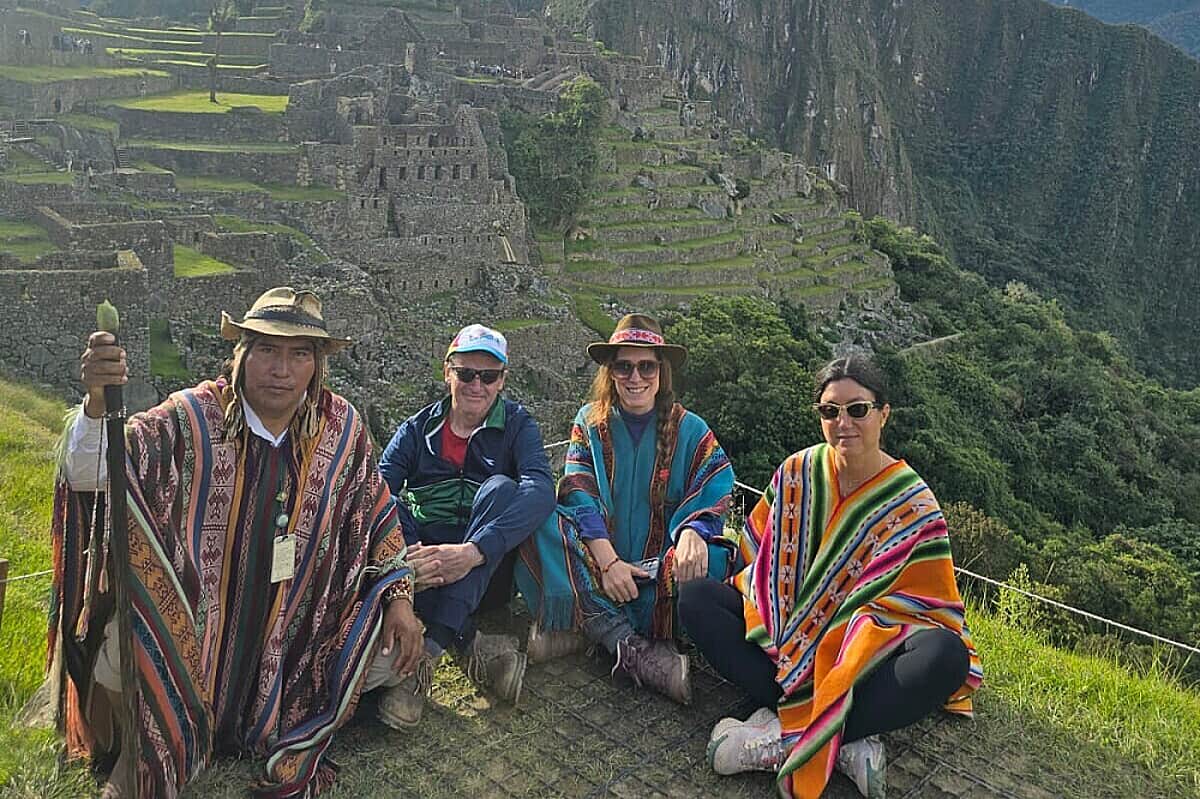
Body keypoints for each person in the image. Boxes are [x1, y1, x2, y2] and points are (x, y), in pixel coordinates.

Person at [51, 287, 424, 798]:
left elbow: (376, 511)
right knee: (118, 652)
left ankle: (306, 704)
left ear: (318, 366)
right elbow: (94, 471)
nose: (282, 370)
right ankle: (145, 746)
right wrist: (96, 403)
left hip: (299, 642)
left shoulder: (342, 428)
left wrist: (400, 599)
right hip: (201, 637)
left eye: (300, 354)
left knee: (384, 650)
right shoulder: (191, 419)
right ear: (242, 354)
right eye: (268, 350)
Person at [678, 354, 983, 799]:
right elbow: (756, 555)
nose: (844, 422)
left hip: (860, 657)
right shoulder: (797, 473)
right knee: (696, 599)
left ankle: (784, 738)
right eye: (830, 411)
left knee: (945, 654)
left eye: (857, 409)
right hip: (785, 638)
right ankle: (844, 740)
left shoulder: (913, 504)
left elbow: (931, 605)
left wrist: (851, 633)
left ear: (883, 414)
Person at [516, 314, 736, 704]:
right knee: (536, 519)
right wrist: (608, 562)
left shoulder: (691, 429)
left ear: (661, 371)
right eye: (624, 366)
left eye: (646, 366)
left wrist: (692, 533)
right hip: (601, 561)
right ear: (611, 372)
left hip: (656, 567)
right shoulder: (589, 423)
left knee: (713, 561)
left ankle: (584, 624)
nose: (635, 377)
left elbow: (714, 484)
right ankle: (632, 645)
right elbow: (578, 492)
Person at [378, 324, 555, 726]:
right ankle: (476, 644)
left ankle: (427, 655)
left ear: (502, 380)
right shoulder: (417, 430)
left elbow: (541, 488)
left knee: (501, 490)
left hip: (486, 570)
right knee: (385, 500)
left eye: (488, 376)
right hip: (422, 569)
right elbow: (376, 490)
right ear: (448, 373)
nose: (477, 385)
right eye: (466, 374)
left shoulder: (516, 425)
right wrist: (408, 555)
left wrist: (473, 552)